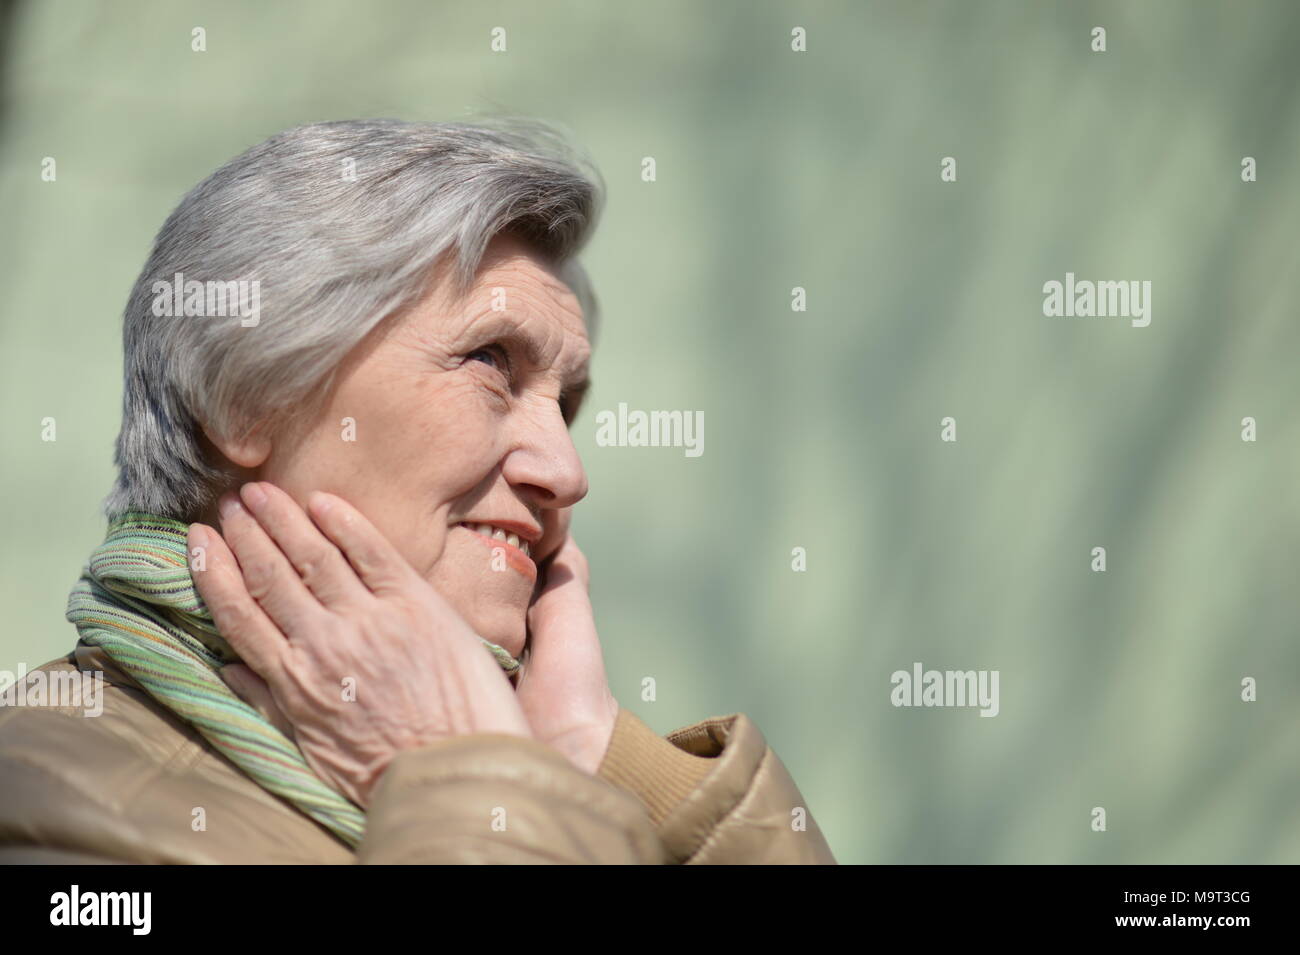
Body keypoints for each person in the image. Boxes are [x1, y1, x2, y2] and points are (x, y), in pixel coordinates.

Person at [0, 119, 836, 864]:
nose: (568, 470)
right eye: (489, 362)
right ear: (245, 397)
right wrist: (477, 781)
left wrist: (593, 756)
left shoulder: (535, 758)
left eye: (568, 405)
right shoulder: (48, 799)